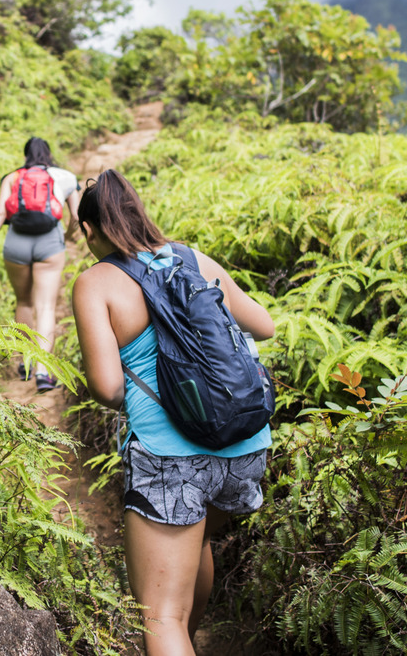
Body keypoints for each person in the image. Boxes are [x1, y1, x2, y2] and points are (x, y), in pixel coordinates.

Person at [70, 170, 275, 655]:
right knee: (196, 538)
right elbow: (264, 325)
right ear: (140, 214)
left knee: (160, 617)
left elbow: (106, 386)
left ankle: (176, 637)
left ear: (88, 231)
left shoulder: (95, 283)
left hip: (169, 458)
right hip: (244, 443)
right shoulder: (191, 258)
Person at [0, 137, 82, 391]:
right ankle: (44, 373)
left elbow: (0, 213)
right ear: (49, 154)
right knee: (45, 308)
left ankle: (25, 362)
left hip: (16, 243)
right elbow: (76, 218)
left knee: (23, 301)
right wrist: (67, 237)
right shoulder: (65, 176)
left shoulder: (12, 177)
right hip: (49, 244)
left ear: (26, 156)